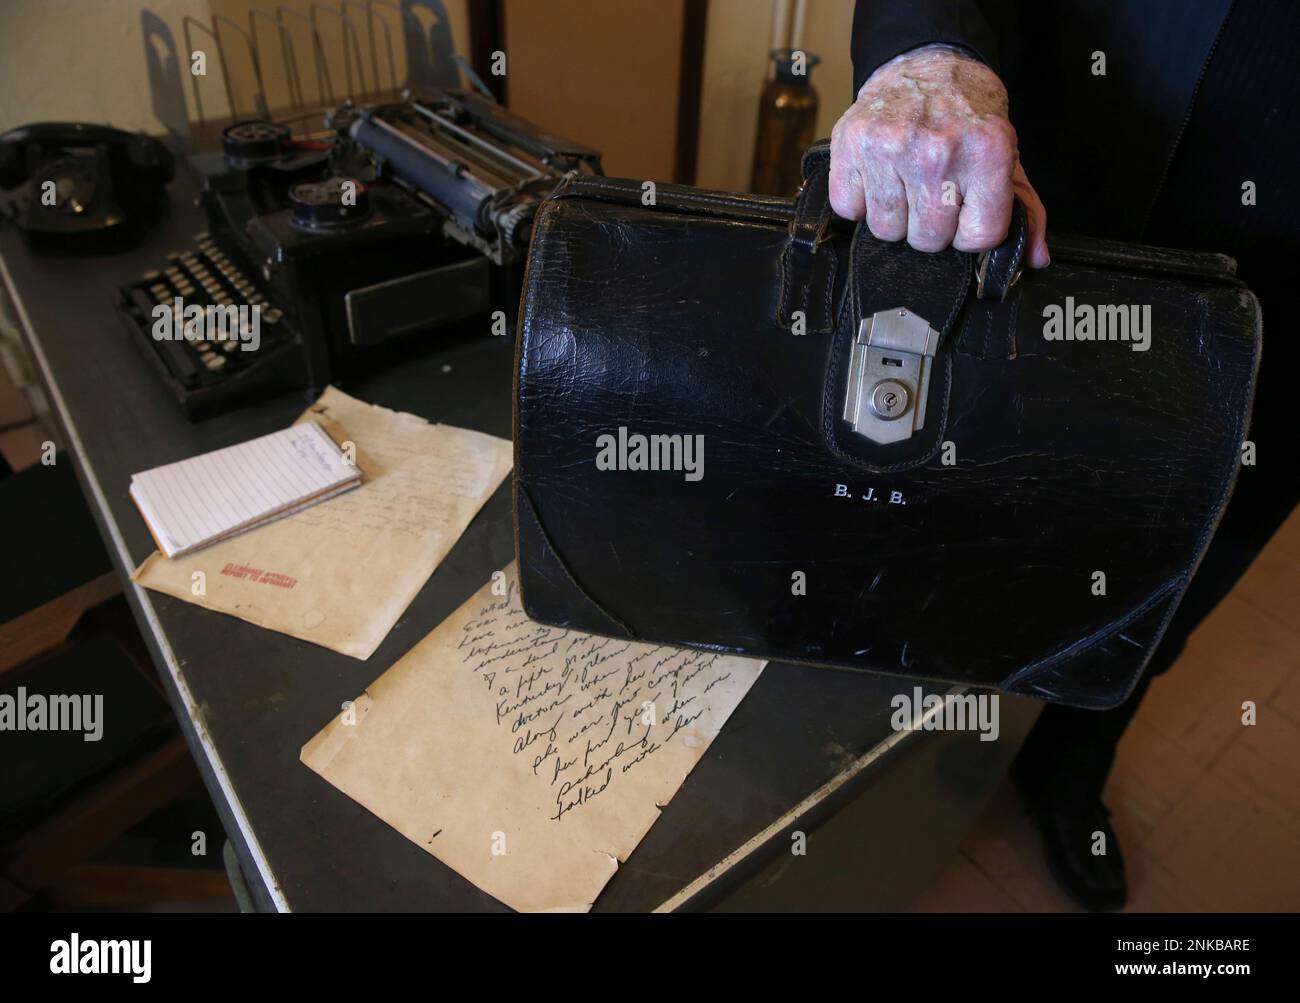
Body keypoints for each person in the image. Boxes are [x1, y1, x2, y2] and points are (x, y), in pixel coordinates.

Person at [833, 0, 1299, 911]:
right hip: (1032, 200)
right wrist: (930, 56)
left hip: (1285, 307)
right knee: (925, 513)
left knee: (1180, 576)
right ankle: (870, 759)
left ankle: (1070, 756)